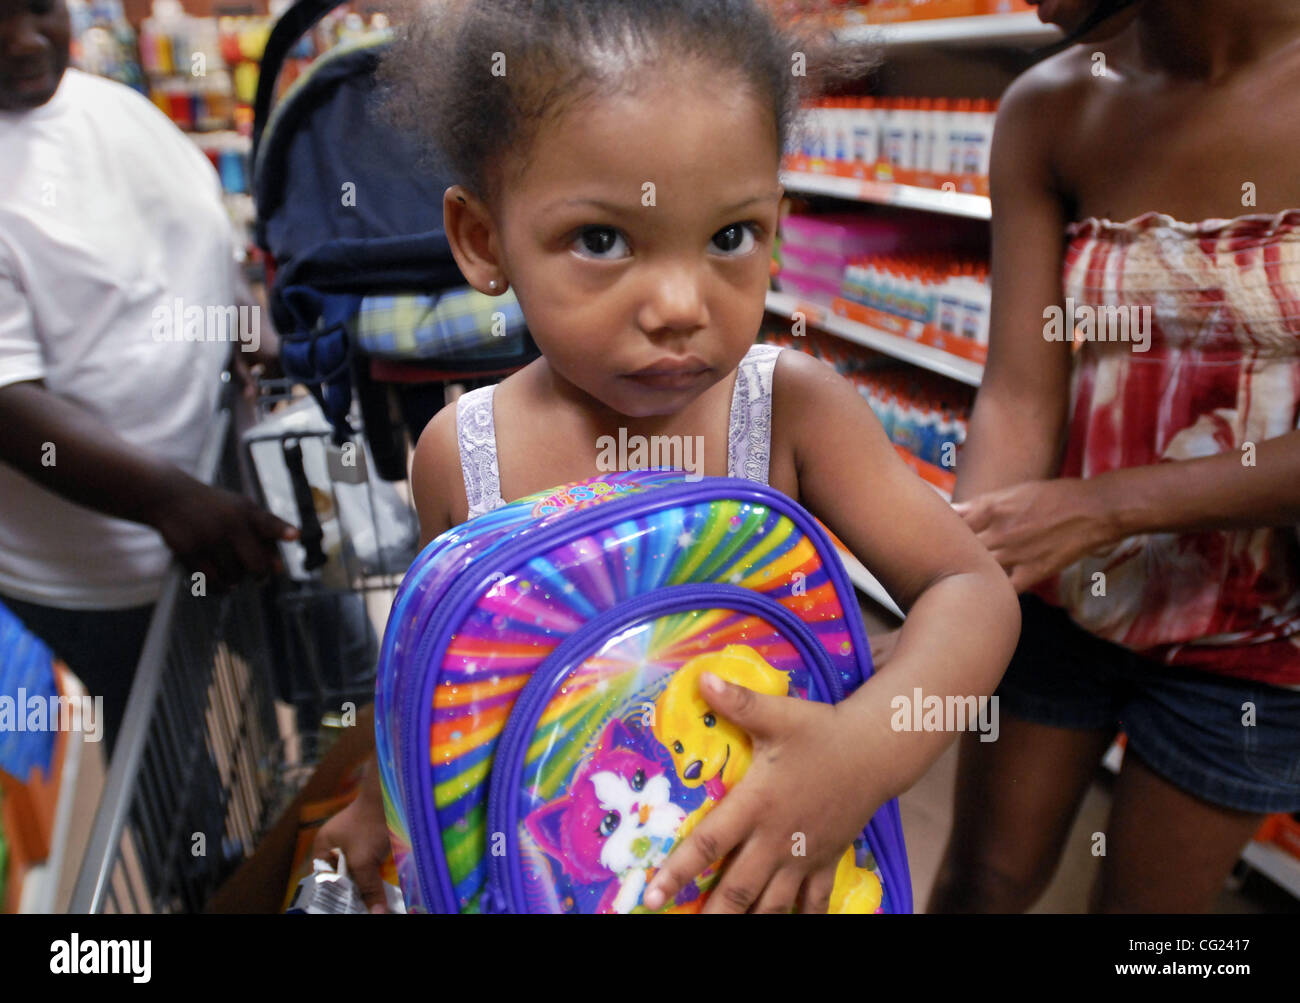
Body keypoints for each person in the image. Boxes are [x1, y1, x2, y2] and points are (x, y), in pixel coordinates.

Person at [314, 0, 1022, 914]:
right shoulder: (463, 452)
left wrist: (864, 750)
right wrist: (381, 799)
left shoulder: (791, 411)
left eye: (731, 237)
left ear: (776, 219)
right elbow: (437, 656)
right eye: (602, 241)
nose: (683, 304)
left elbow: (972, 590)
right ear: (484, 241)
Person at [927, 0, 1300, 913]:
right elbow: (1020, 391)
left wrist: (1107, 506)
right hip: (1062, 600)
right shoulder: (1050, 107)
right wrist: (959, 582)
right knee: (981, 881)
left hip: (1264, 636)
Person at [0, 0, 296, 755]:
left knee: (314, 675)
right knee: (174, 779)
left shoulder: (112, 106)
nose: (25, 40)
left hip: (217, 489)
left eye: (37, 7)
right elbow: (8, 405)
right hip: (103, 569)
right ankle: (214, 874)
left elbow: (195, 237)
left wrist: (240, 323)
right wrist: (169, 499)